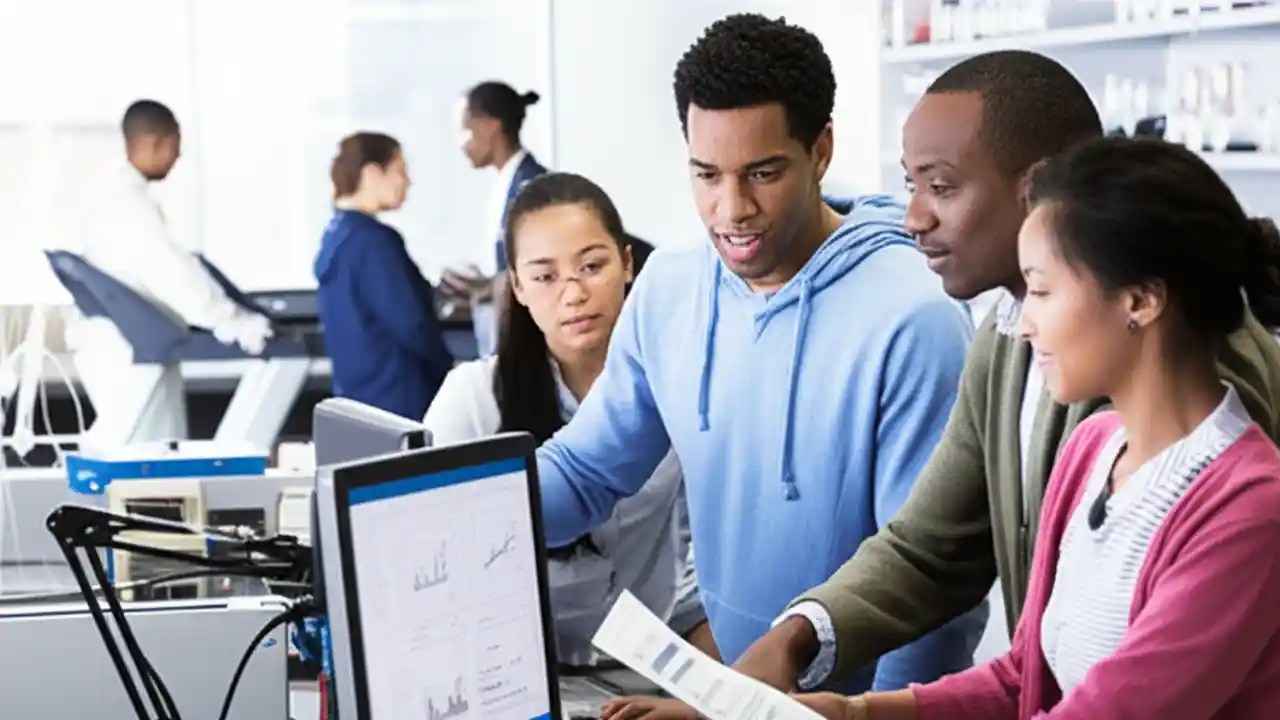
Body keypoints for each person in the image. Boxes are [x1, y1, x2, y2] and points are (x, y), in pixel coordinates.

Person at [731, 51, 1280, 695]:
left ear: (1037, 186)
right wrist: (801, 638)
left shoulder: (1200, 374)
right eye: (911, 186)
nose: (914, 219)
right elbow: (935, 548)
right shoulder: (1014, 340)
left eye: (940, 187)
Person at [539, 13, 985, 703]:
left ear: (821, 149)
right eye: (706, 174)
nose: (732, 208)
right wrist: (451, 514)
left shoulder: (913, 318)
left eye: (762, 173)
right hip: (736, 697)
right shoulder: (669, 288)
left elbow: (934, 586)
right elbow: (585, 472)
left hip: (851, 710)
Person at [423, 172, 713, 664]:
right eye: (545, 276)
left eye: (592, 265)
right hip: (512, 677)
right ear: (516, 285)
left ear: (626, 264)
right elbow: (433, 563)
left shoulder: (681, 389)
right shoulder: (472, 400)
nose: (574, 293)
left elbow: (703, 559)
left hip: (649, 674)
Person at [68, 99, 272, 445]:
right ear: (154, 143)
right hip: (126, 351)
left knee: (143, 458)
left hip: (115, 343)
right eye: (175, 146)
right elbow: (172, 273)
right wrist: (233, 321)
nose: (178, 157)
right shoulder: (127, 205)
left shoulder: (110, 193)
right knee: (152, 461)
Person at [315, 132, 453, 420]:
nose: (408, 182)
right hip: (400, 398)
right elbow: (411, 323)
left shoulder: (335, 237)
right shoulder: (374, 242)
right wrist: (448, 370)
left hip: (359, 401)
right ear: (372, 173)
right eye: (400, 171)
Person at [441, 81, 548, 356]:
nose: (461, 143)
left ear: (490, 126)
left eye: (465, 129)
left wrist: (491, 286)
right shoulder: (505, 184)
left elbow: (542, 268)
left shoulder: (531, 187)